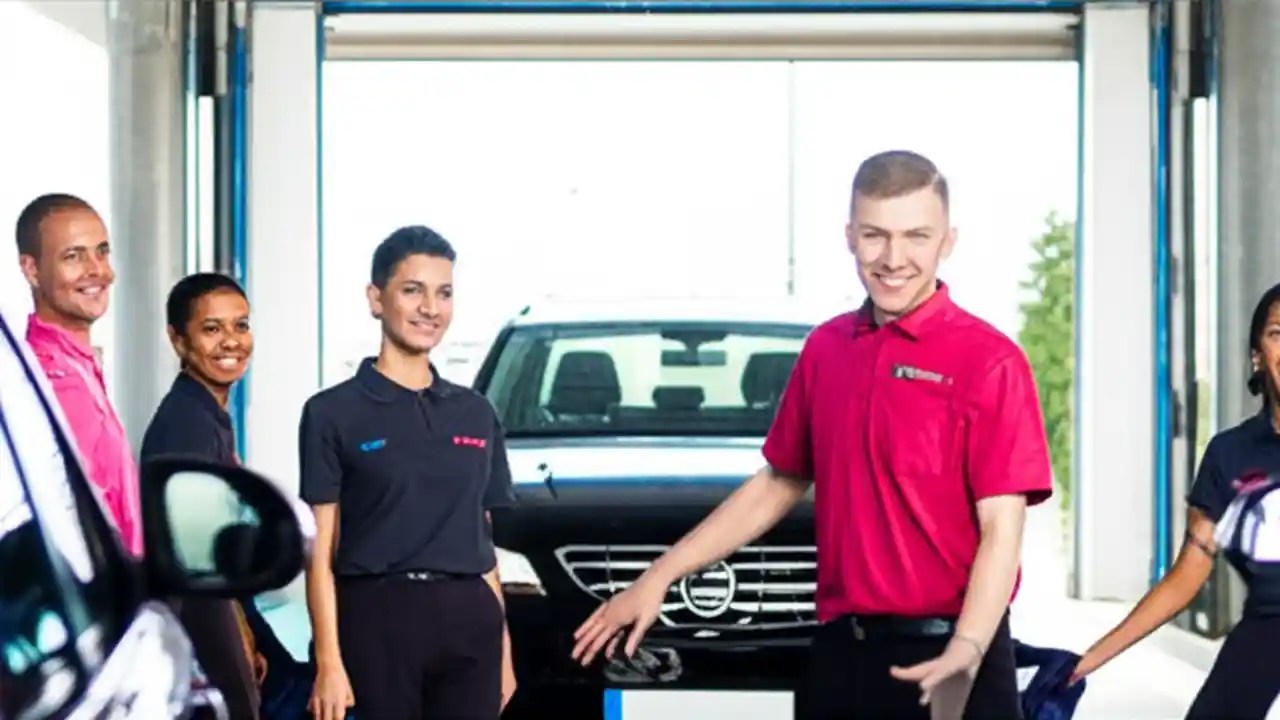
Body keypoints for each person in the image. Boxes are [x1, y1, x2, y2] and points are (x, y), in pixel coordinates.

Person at [570, 150, 1054, 719]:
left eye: (916, 237)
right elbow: (778, 481)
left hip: (953, 653)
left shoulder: (990, 361)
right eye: (875, 235)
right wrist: (657, 580)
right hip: (842, 658)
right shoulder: (827, 351)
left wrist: (967, 649)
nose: (893, 258)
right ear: (849, 236)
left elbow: (1003, 527)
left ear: (948, 240)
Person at [300, 225, 517, 720]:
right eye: (412, 290)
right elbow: (321, 553)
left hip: (470, 624)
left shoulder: (476, 413)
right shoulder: (331, 413)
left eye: (443, 293)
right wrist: (328, 662)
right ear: (376, 299)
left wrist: (503, 650)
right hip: (378, 621)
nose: (430, 308)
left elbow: (483, 541)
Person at [1071, 282, 1280, 719]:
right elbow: (1187, 576)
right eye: (1279, 334)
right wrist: (1087, 660)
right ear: (1257, 355)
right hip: (1267, 633)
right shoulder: (1230, 455)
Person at [138, 272, 268, 720]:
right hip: (199, 616)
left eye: (241, 325)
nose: (231, 341)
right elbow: (196, 558)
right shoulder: (186, 424)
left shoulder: (208, 412)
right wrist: (240, 635)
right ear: (178, 340)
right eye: (212, 329)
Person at [16, 193, 143, 556]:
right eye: (73, 256)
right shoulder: (55, 380)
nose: (98, 270)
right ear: (31, 269)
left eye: (101, 251)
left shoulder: (77, 365)